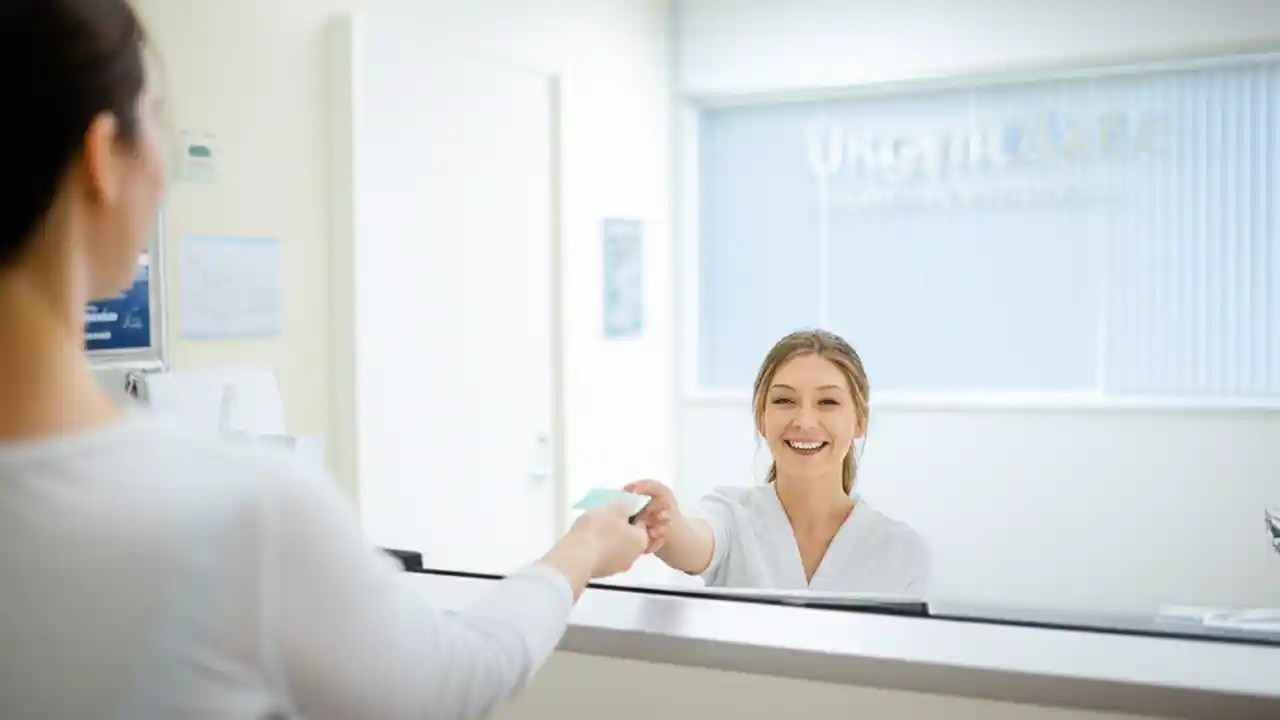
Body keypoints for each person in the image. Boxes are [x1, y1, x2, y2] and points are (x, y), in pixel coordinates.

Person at [0, 2, 651, 718]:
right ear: (100, 156)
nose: (165, 168)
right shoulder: (236, 514)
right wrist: (582, 552)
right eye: (156, 117)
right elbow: (456, 681)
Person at [629, 330, 929, 594]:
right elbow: (692, 543)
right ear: (762, 418)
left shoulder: (902, 551)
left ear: (860, 421)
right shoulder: (731, 515)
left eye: (828, 402)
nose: (805, 422)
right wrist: (664, 524)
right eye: (784, 401)